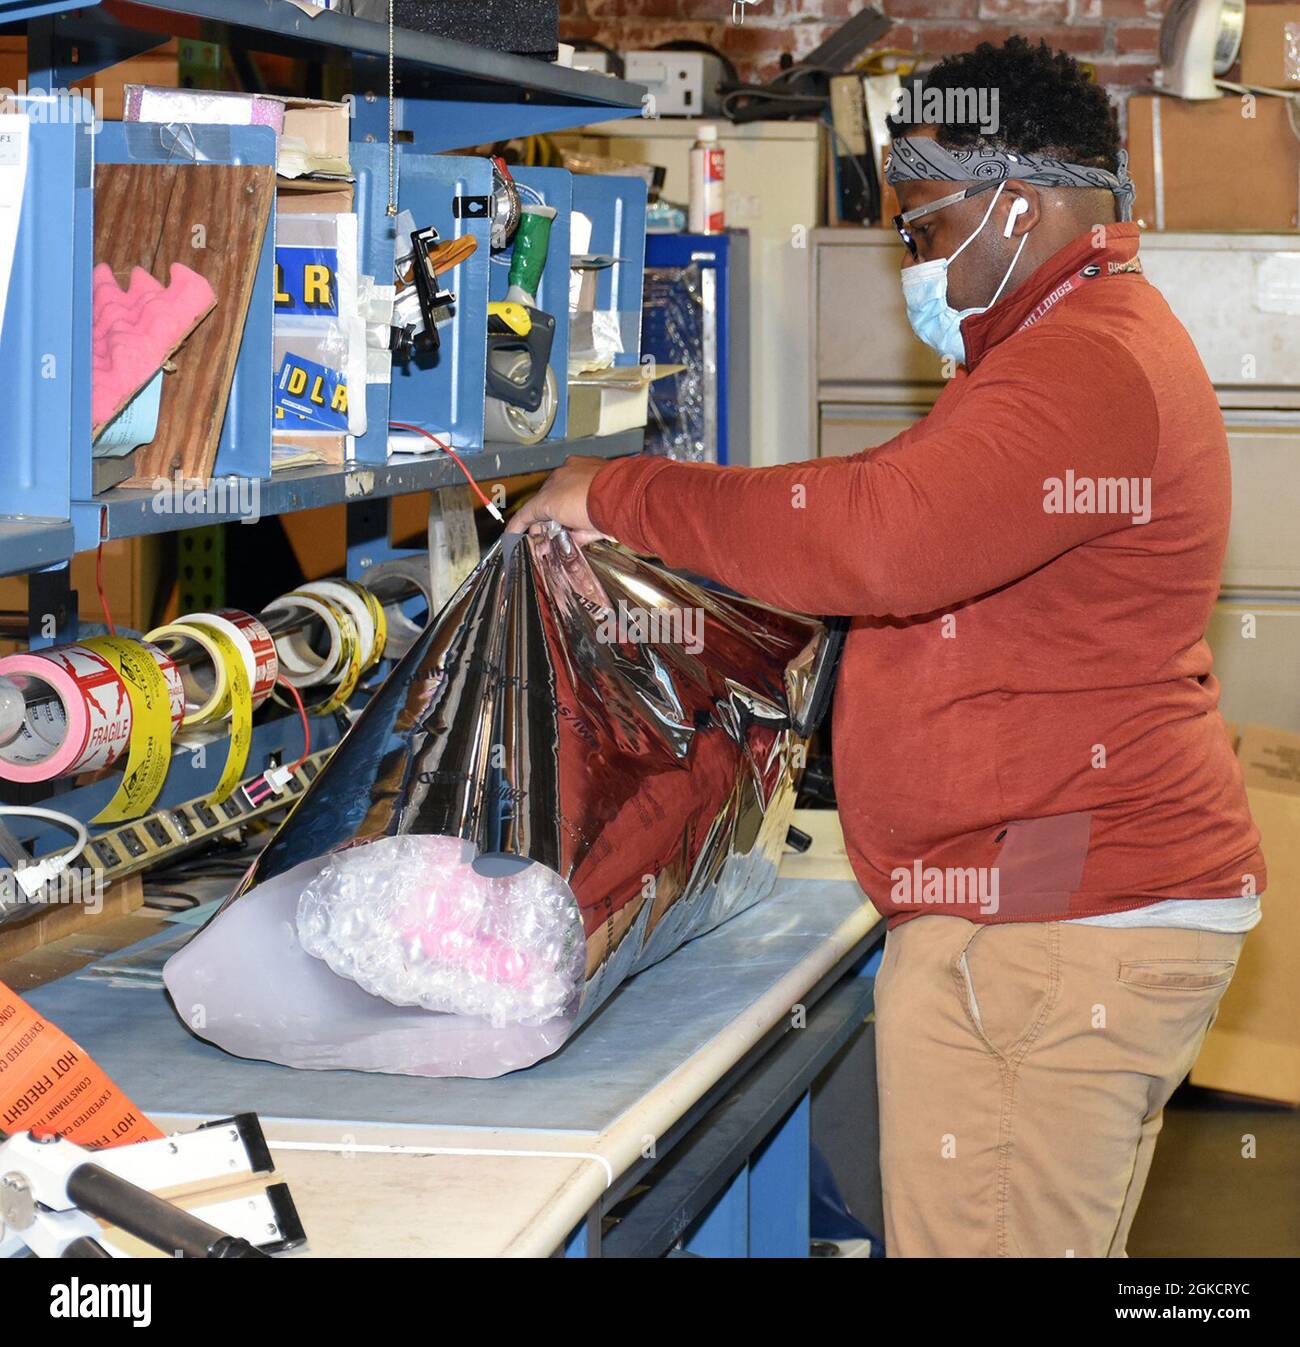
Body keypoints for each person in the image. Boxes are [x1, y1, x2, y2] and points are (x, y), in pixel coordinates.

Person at [507, 36, 1265, 1258]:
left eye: (922, 226)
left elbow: (879, 535)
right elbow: (902, 522)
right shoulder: (1061, 343)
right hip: (1048, 913)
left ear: (1016, 206)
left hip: (1050, 932)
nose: (912, 262)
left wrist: (618, 494)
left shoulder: (1085, 362)